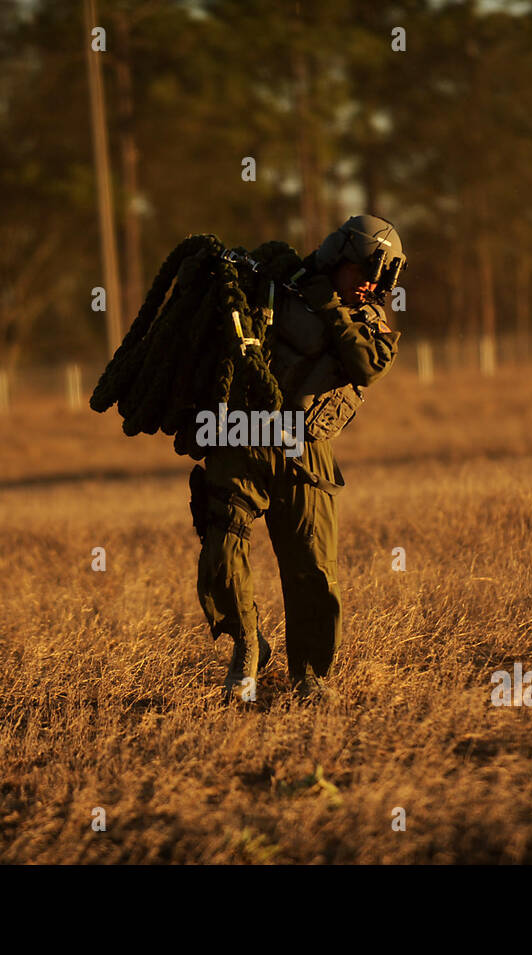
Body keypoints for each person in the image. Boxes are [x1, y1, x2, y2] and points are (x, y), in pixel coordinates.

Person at [193, 214, 406, 704]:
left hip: (304, 448)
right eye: (364, 272)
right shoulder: (275, 287)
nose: (371, 285)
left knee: (313, 568)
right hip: (241, 436)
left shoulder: (368, 324)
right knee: (221, 547)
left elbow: (366, 366)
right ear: (337, 258)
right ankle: (247, 646)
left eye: (381, 279)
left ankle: (309, 675)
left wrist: (330, 306)